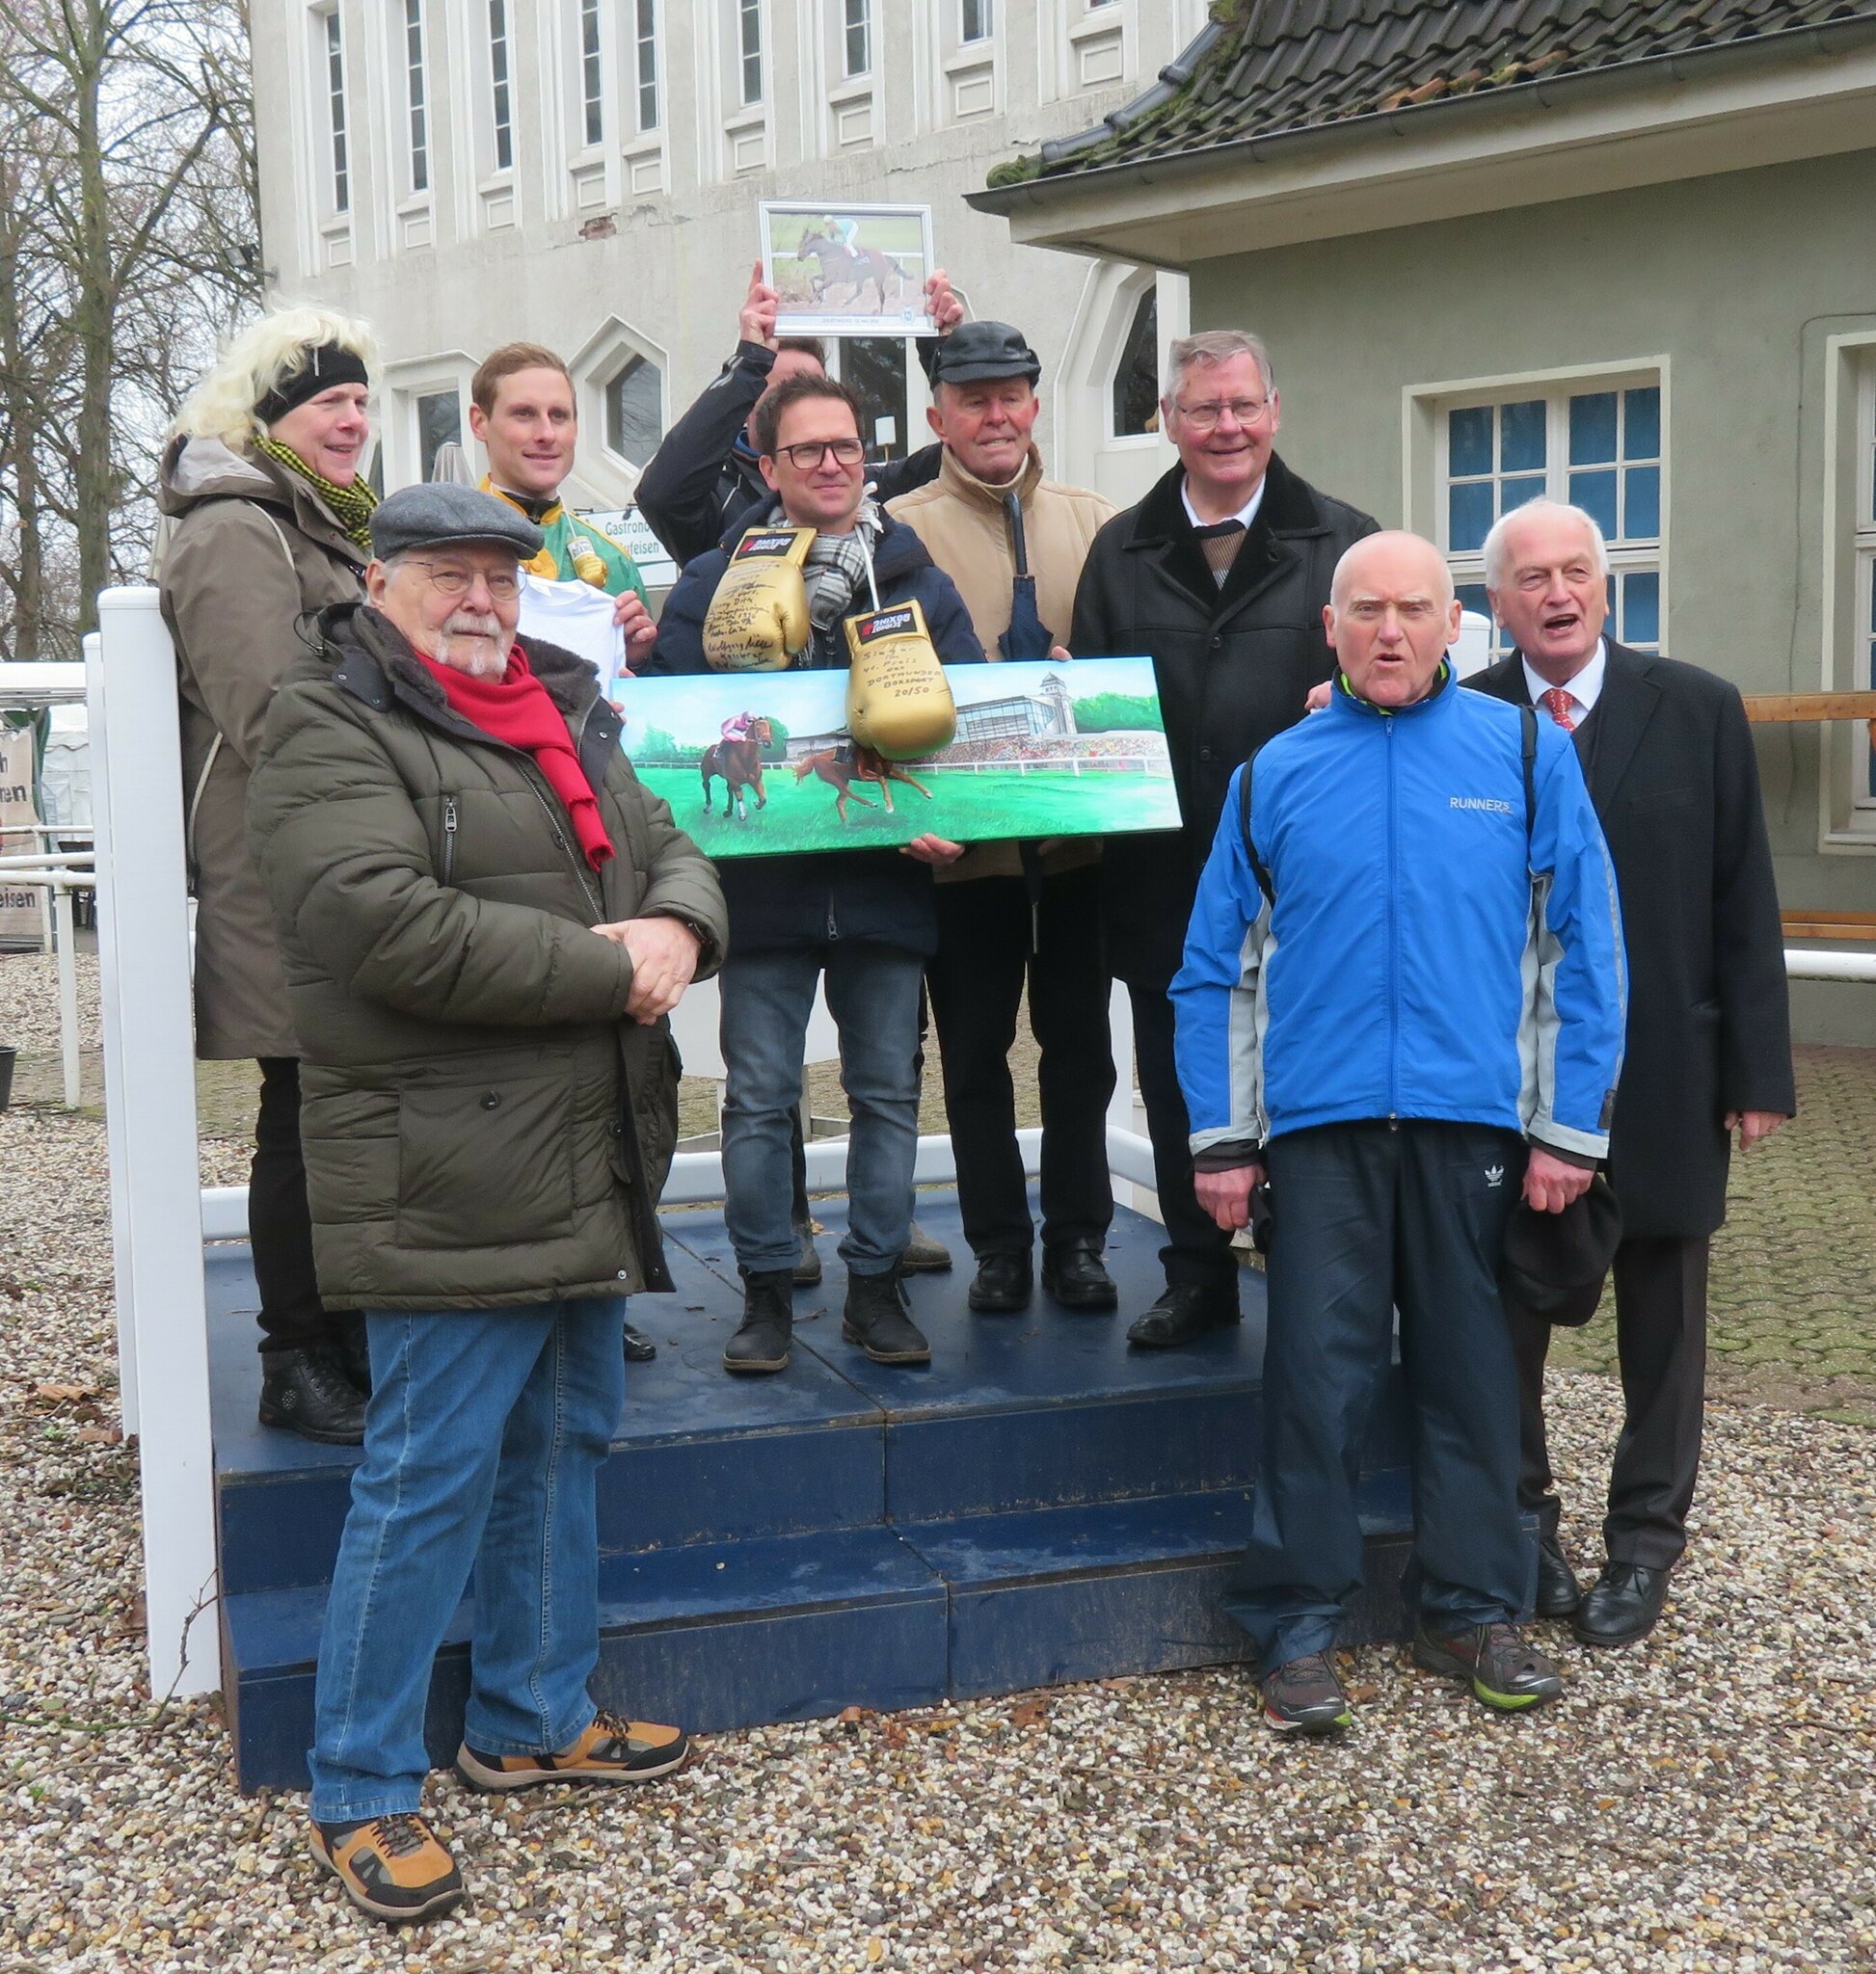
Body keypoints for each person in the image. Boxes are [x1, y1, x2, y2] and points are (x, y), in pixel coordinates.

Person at [246, 483, 728, 1926]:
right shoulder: (325, 720)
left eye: (501, 579)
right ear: (379, 585)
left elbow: (671, 842)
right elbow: (378, 922)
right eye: (448, 574)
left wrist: (679, 923)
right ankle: (360, 1785)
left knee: (564, 1436)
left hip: (578, 1148)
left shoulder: (562, 708)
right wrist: (611, 967)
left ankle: (528, 1717)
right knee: (428, 1469)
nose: (480, 599)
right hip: (442, 1163)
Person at [1173, 530, 1627, 1733]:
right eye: (1365, 608)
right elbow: (1216, 970)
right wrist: (1222, 1139)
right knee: (1312, 1385)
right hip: (1318, 1133)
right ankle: (1295, 1623)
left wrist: (1564, 1130)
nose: (1388, 630)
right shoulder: (1272, 773)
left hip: (1473, 1125)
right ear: (1328, 626)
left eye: (1413, 609)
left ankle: (1472, 1607)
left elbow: (1581, 950)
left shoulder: (1523, 753)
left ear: (1452, 626)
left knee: (1472, 1380)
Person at [1474, 498, 1794, 1647]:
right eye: (1530, 578)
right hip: (1506, 1081)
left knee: (1661, 1319)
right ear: (1495, 602)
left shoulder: (1697, 708)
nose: (1554, 594)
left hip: (1665, 1071)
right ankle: (1522, 1525)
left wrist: (1755, 1070)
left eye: (1574, 573)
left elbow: (1739, 897)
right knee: (1505, 1308)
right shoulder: (1463, 720)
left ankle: (1643, 1545)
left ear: (1604, 590)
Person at [646, 373, 983, 1375]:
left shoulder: (914, 578)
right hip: (764, 891)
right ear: (768, 467)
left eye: (846, 446)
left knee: (884, 1093)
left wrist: (954, 824)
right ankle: (764, 1292)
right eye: (808, 450)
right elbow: (669, 719)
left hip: (885, 886)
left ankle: (873, 1289)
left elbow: (966, 724)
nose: (832, 464)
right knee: (756, 1096)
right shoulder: (714, 580)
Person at [1070, 329, 1378, 1349]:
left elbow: (1408, 685)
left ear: (1273, 410)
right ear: (1169, 421)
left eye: (1242, 406)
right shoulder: (1118, 551)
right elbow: (1091, 720)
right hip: (1162, 876)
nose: (1225, 427)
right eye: (1202, 410)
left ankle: (1307, 1278)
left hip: (1309, 884)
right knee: (1176, 1085)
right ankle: (1195, 1271)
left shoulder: (1343, 544)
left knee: (1306, 1081)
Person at [158, 307, 381, 1446]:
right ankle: (294, 1355)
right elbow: (268, 709)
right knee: (298, 1111)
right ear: (268, 416)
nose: (354, 418)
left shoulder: (310, 520)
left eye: (359, 399)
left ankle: (338, 1333)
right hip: (280, 863)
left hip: (329, 852)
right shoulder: (236, 528)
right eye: (326, 401)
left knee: (335, 1106)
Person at [885, 322, 1119, 1316]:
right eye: (972, 397)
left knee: (1081, 1054)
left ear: (1034, 404)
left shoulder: (1097, 520)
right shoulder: (890, 529)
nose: (994, 414)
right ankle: (995, 1243)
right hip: (957, 850)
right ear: (936, 413)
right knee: (972, 1055)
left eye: (1010, 393)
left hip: (1074, 849)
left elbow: (1128, 668)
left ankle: (1077, 1239)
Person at [469, 339, 661, 1359]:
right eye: (524, 416)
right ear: (480, 426)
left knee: (615, 1073)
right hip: (496, 834)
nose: (545, 434)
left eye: (560, 417)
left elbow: (632, 696)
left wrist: (641, 633)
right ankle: (517, 1292)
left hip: (594, 838)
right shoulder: (448, 537)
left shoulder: (602, 551)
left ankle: (601, 1287)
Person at [633, 261, 964, 572]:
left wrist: (943, 352)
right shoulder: (719, 499)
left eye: (815, 390)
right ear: (747, 401)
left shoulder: (859, 482)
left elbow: (967, 455)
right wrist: (749, 362)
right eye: (785, 395)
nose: (805, 409)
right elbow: (662, 494)